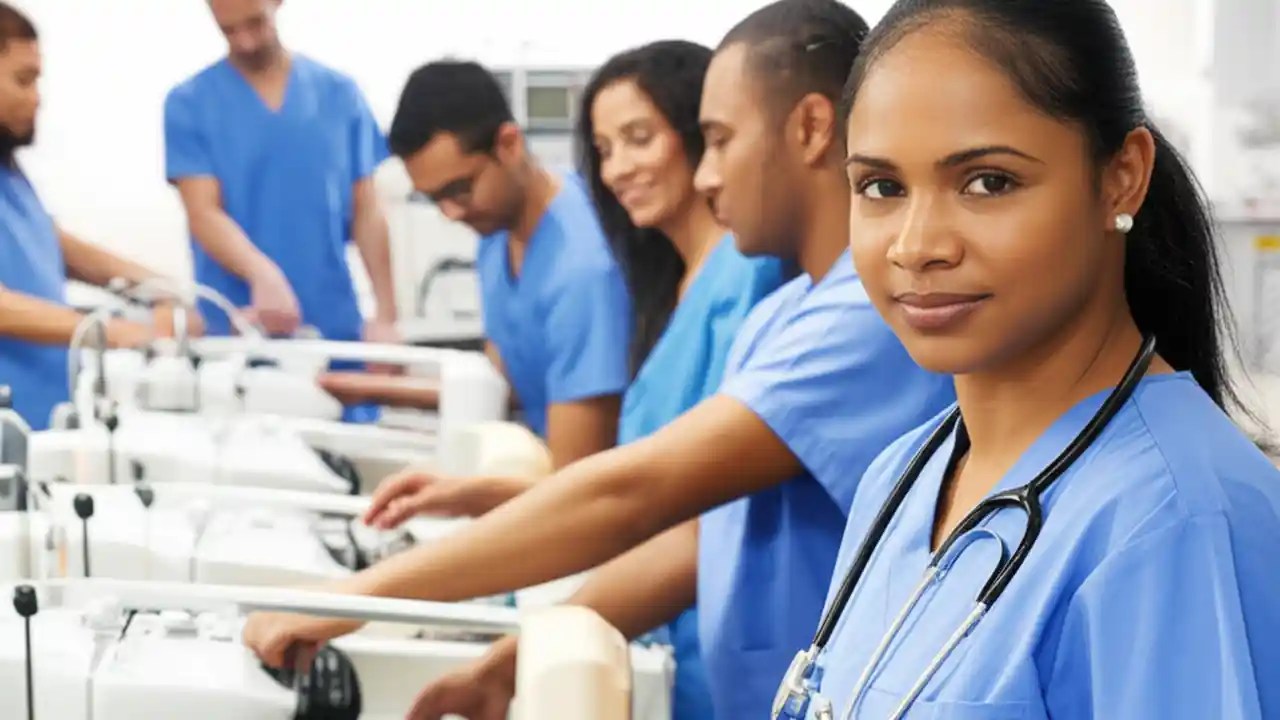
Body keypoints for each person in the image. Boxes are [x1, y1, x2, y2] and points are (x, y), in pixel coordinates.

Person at [242, 2, 954, 717]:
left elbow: (633, 493)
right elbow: (699, 533)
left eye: (716, 141)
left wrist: (354, 598)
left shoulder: (867, 316)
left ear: (808, 127)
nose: (706, 178)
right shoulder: (781, 313)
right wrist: (507, 662)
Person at [785, 2, 1280, 718]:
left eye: (988, 182)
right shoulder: (900, 478)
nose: (917, 244)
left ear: (1121, 177)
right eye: (882, 187)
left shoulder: (1176, 524)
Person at [371, 40, 790, 720]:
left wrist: (370, 593)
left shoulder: (741, 285)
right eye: (604, 148)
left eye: (638, 138)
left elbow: (645, 502)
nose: (618, 168)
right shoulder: (673, 285)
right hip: (654, 629)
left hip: (710, 641)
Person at [379, 59, 633, 469]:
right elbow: (506, 385)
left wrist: (451, 494)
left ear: (509, 144)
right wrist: (370, 390)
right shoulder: (495, 233)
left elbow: (578, 477)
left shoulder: (583, 269)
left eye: (459, 189)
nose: (450, 214)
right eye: (433, 199)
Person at [164, 0, 397, 420]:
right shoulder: (190, 105)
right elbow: (204, 213)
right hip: (237, 342)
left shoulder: (339, 96)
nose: (246, 41)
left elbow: (367, 211)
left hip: (331, 331)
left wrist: (386, 314)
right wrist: (262, 274)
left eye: (255, 23)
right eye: (229, 30)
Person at [0, 2, 183, 430]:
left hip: (45, 423)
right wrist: (119, 332)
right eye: (23, 80)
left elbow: (52, 246)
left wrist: (169, 292)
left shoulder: (10, 170)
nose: (36, 97)